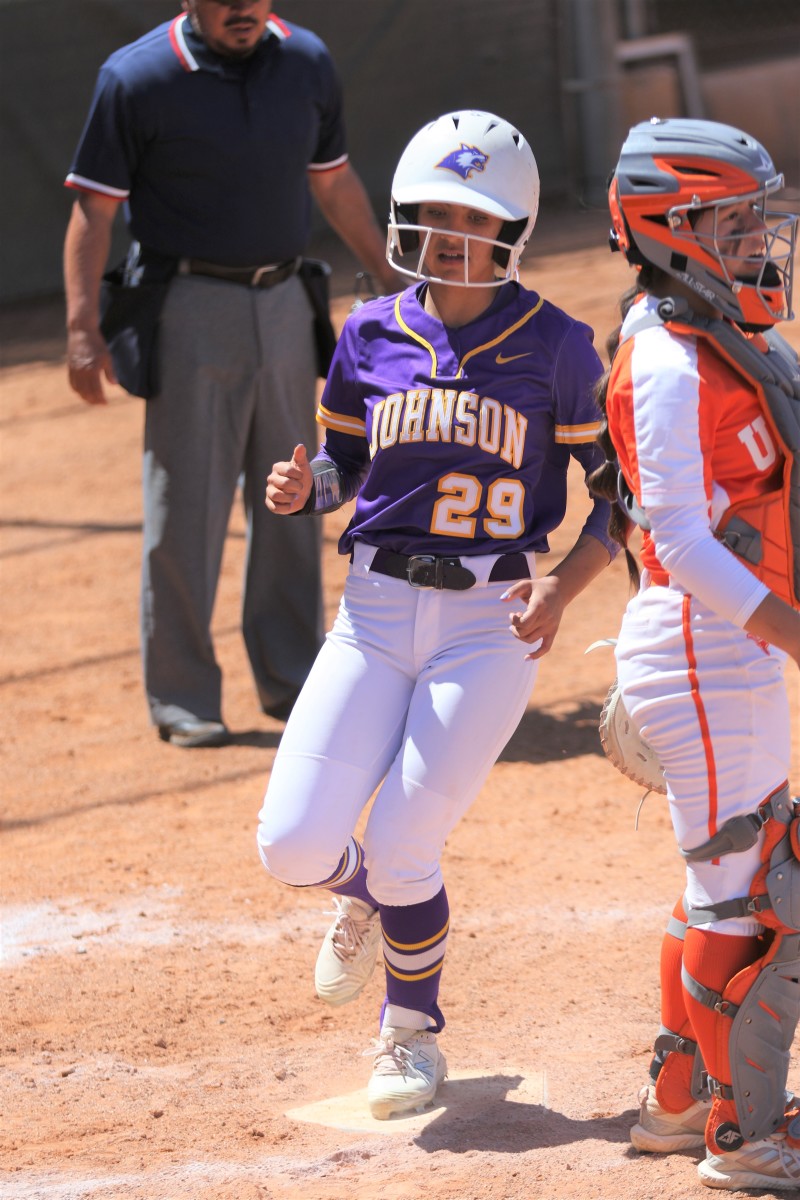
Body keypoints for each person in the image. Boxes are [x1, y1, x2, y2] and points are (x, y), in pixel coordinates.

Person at [256, 109, 615, 1119]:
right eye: (431, 215)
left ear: (512, 228)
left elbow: (615, 491)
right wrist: (306, 486)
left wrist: (563, 586)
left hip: (487, 622)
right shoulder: (371, 331)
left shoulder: (555, 348)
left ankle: (408, 1033)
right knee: (290, 845)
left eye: (474, 216)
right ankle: (363, 900)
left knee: (411, 842)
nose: (449, 234)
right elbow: (346, 467)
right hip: (370, 610)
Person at [63, 0, 398, 748]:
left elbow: (334, 180)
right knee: (186, 507)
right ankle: (183, 695)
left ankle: (292, 677)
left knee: (294, 494)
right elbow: (94, 208)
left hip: (283, 303)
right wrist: (84, 331)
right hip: (189, 308)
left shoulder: (305, 60)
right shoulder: (136, 77)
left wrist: (384, 273)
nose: (241, 8)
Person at [588, 117, 800, 1191]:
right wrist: (788, 633)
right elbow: (669, 537)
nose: (754, 238)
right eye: (731, 219)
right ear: (668, 228)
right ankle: (744, 1133)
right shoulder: (663, 356)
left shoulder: (700, 334)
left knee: (718, 885)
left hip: (719, 645)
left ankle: (679, 1108)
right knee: (759, 895)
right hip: (705, 642)